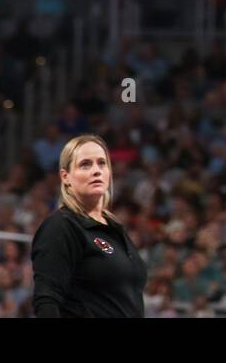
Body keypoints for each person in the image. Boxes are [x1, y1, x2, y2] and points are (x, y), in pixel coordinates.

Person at [32, 134, 147, 317]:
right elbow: (47, 300)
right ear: (66, 177)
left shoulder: (115, 228)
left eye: (102, 163)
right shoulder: (61, 226)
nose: (96, 170)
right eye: (85, 164)